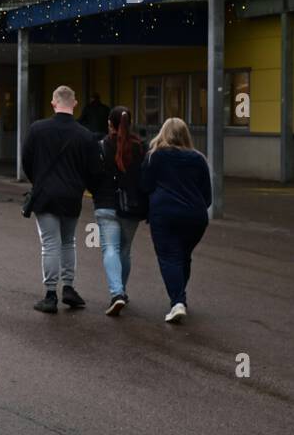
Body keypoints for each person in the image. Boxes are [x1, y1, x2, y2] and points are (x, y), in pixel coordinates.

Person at [21, 85, 102, 314]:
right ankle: (68, 287)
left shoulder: (38, 129)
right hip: (71, 197)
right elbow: (93, 169)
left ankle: (50, 295)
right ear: (74, 104)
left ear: (53, 103)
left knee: (49, 245)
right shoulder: (85, 135)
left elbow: (26, 160)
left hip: (45, 195)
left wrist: (39, 181)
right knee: (69, 242)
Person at [140, 117, 212, 323]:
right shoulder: (198, 159)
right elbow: (206, 194)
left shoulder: (155, 156)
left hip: (165, 214)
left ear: (163, 133)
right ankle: (180, 297)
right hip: (195, 217)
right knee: (183, 256)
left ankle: (177, 302)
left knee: (169, 257)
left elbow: (145, 185)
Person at [92, 106, 147, 316]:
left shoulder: (101, 147)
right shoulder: (140, 147)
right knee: (125, 250)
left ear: (109, 124)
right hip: (131, 206)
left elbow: (93, 174)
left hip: (106, 205)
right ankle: (121, 291)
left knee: (110, 249)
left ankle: (117, 293)